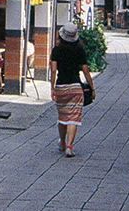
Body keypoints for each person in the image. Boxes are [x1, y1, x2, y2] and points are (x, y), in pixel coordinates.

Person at [49, 22, 95, 157]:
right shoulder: (79, 50)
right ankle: (69, 146)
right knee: (73, 118)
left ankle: (62, 142)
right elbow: (85, 71)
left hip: (61, 86)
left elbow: (53, 71)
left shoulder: (56, 50)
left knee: (62, 116)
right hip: (75, 86)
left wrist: (52, 88)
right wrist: (92, 88)